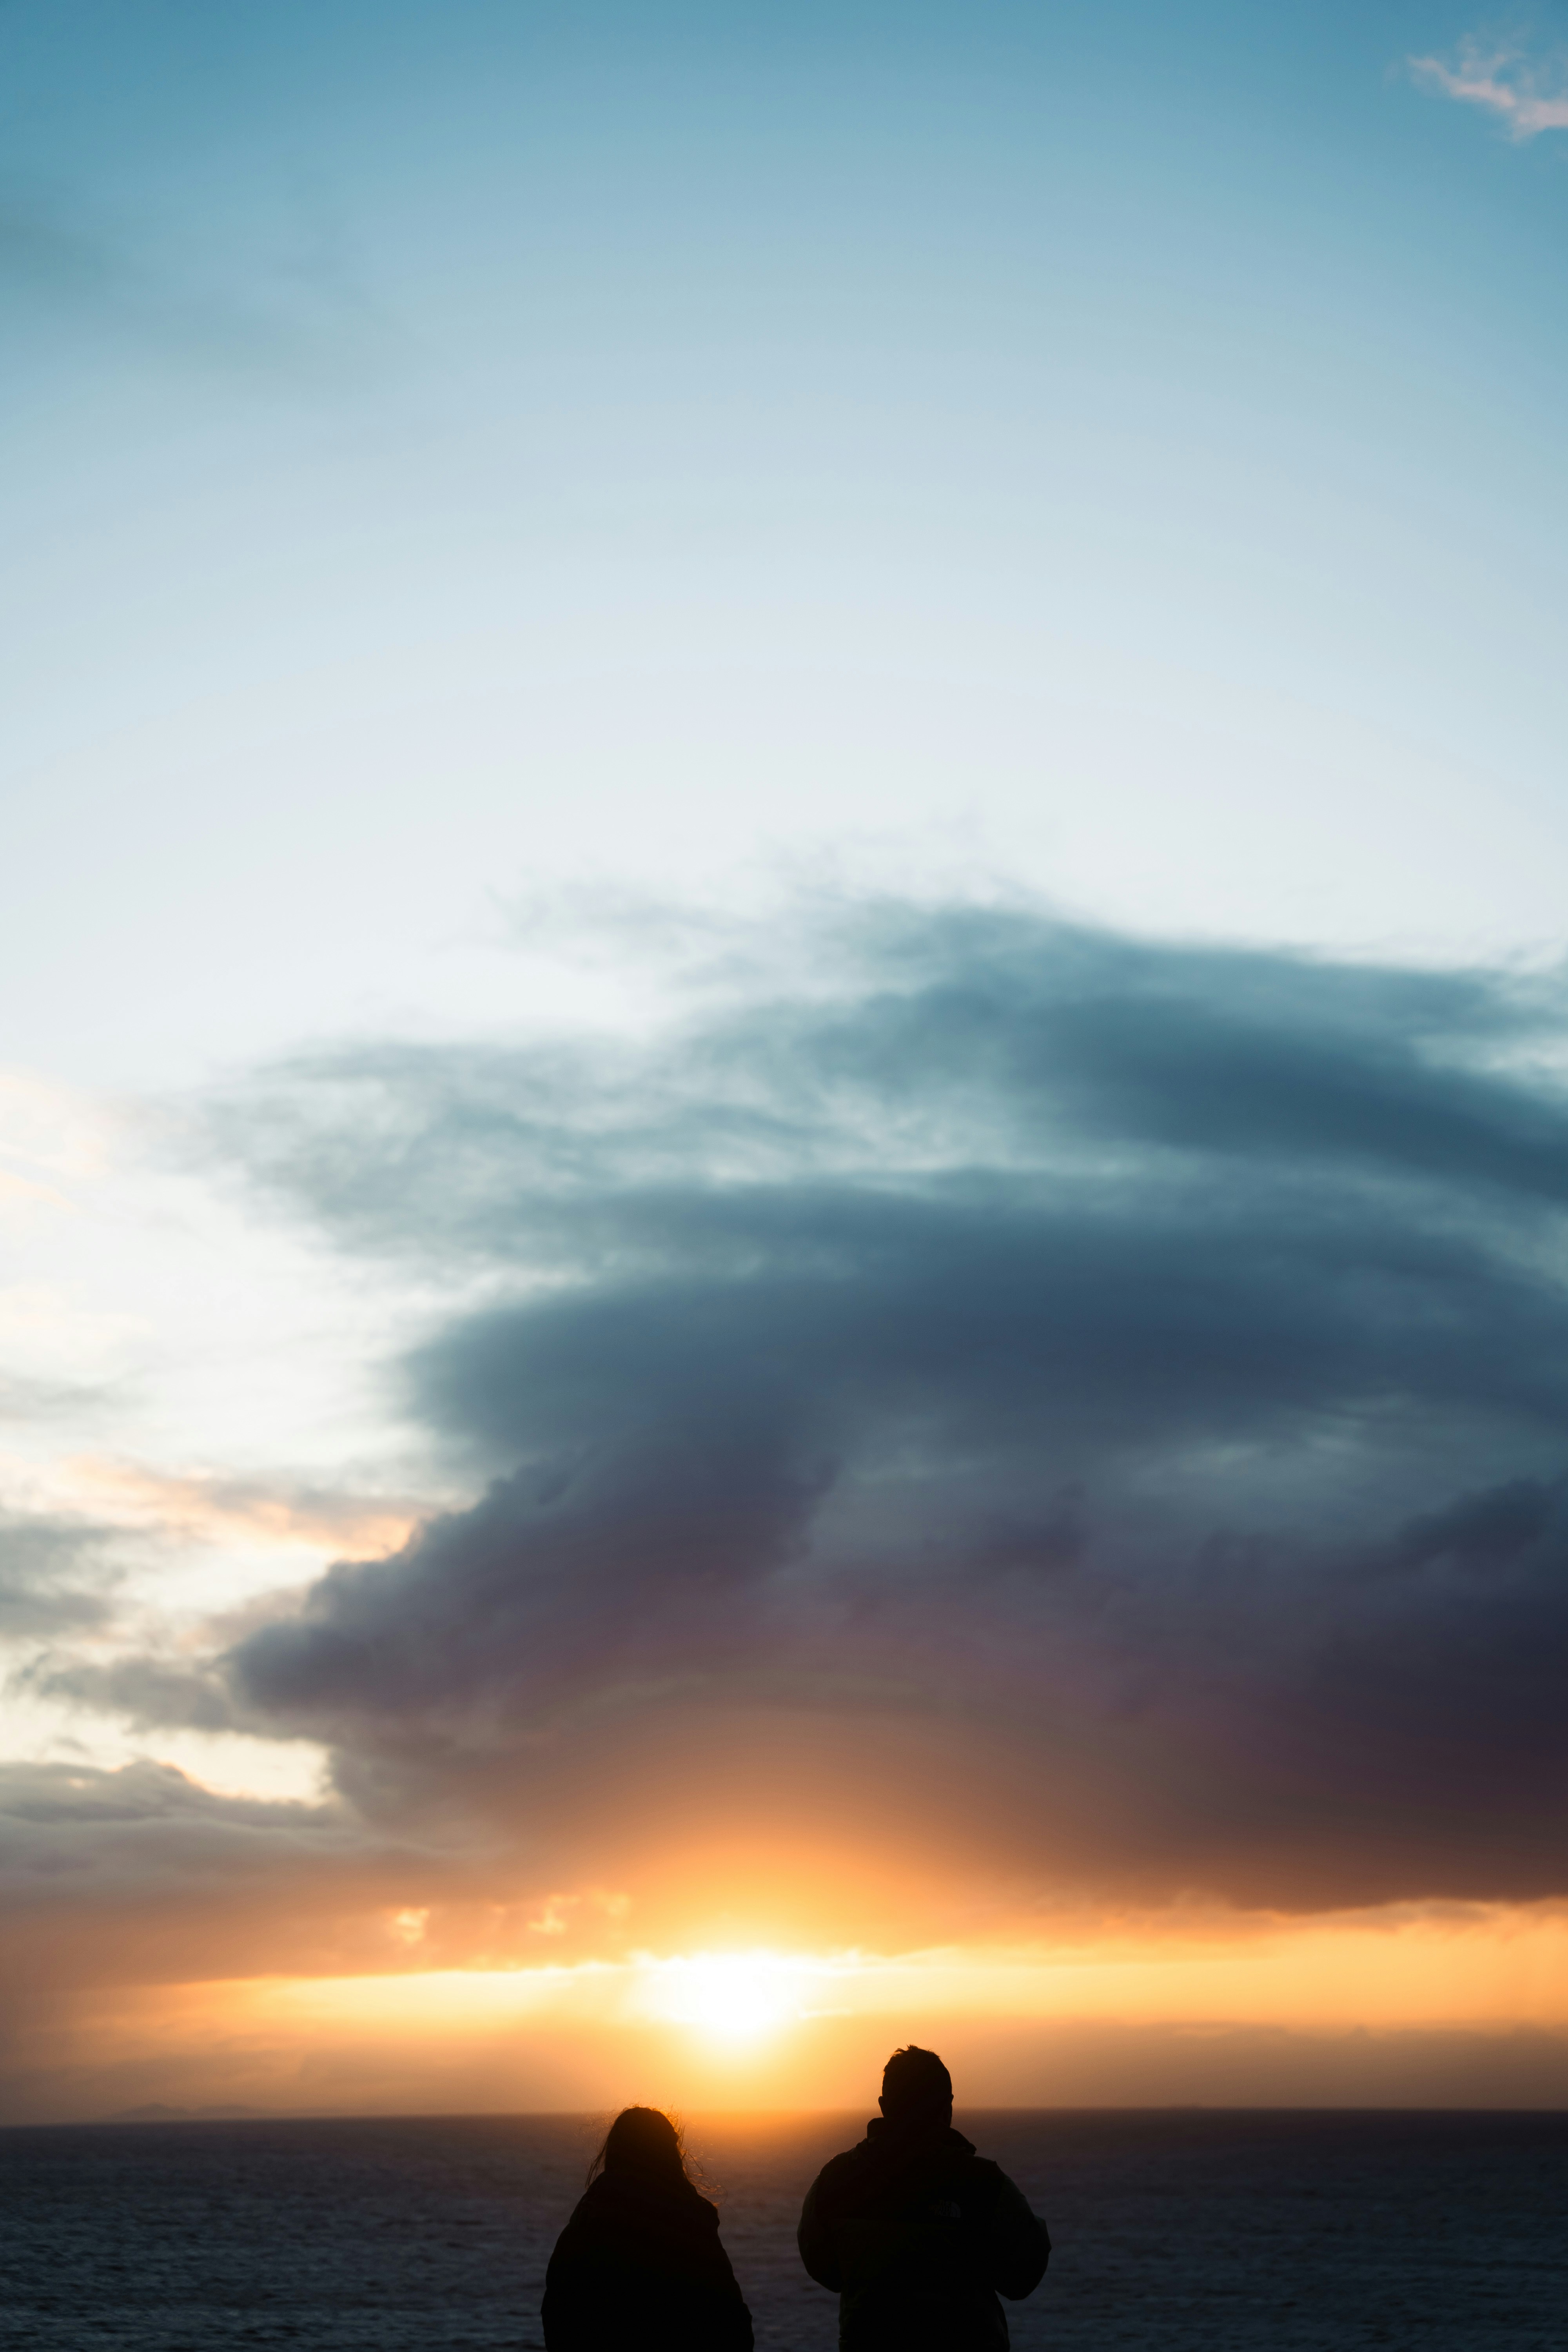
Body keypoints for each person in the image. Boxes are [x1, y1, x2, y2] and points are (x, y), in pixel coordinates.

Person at [797, 2045, 1049, 2352]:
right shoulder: (985, 2184)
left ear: (884, 2106)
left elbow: (824, 2270)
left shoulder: (835, 2180)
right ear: (947, 2107)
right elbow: (1022, 2278)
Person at [541, 2105, 754, 2352]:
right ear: (669, 2153)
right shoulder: (689, 2223)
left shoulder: (586, 2222)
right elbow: (728, 2315)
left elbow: (558, 2315)